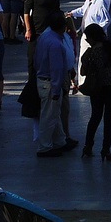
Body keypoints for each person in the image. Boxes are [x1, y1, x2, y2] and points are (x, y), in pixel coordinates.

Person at [34, 11, 74, 157]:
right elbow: (56, 69)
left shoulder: (45, 37)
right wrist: (57, 90)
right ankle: (44, 147)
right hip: (50, 83)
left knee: (52, 115)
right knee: (49, 117)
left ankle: (59, 141)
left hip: (43, 80)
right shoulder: (56, 43)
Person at [79, 23, 111, 160]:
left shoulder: (90, 53)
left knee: (95, 117)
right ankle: (106, 149)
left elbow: (83, 72)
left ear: (92, 38)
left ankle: (88, 145)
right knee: (109, 119)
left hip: (96, 88)